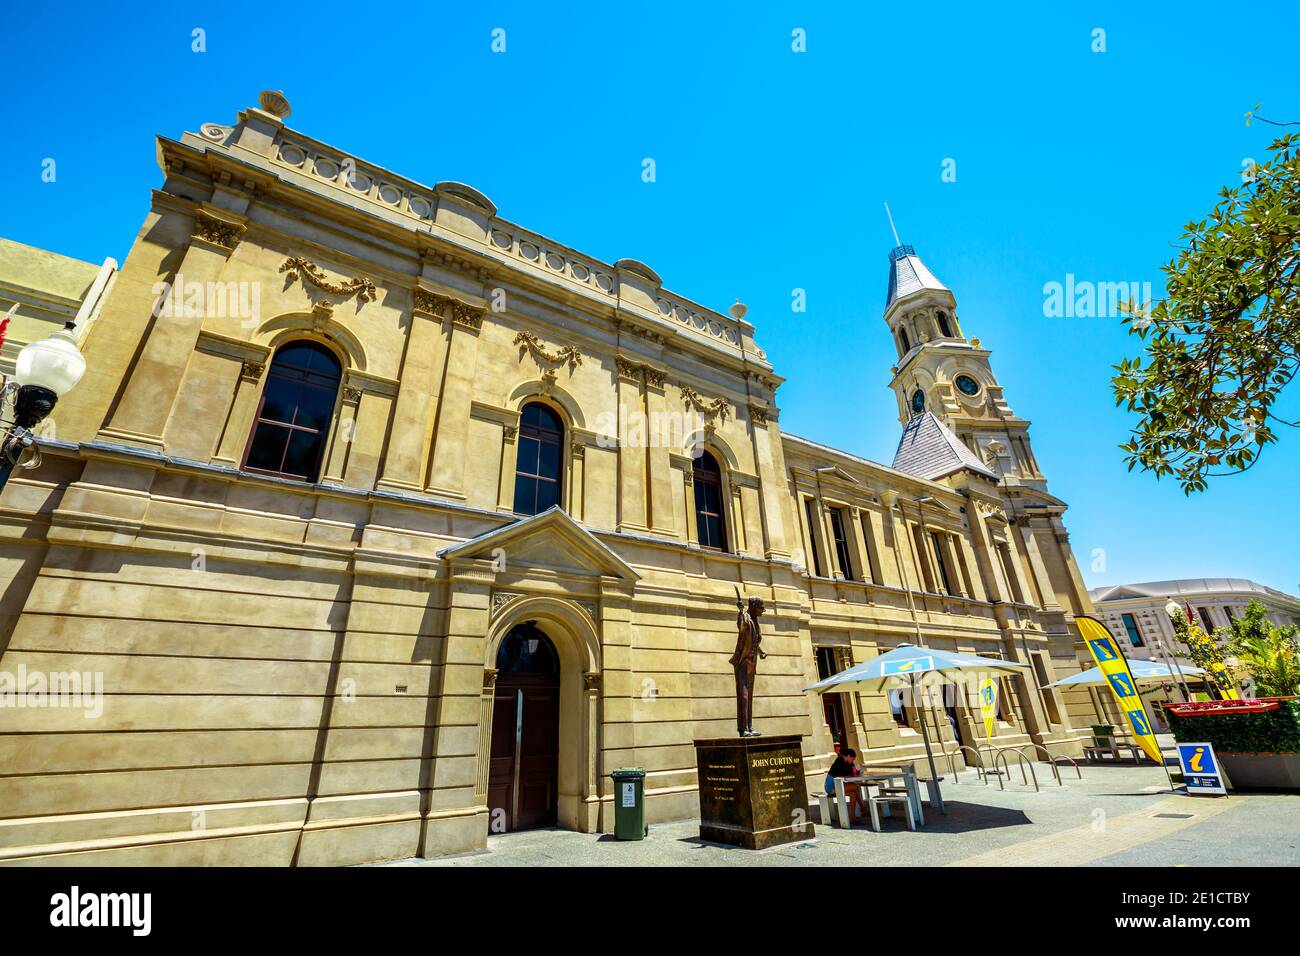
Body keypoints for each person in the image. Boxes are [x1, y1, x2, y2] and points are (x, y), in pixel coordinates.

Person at [823, 747, 867, 819]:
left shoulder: (848, 763)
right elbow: (842, 774)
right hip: (831, 786)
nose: (852, 761)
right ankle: (863, 808)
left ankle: (852, 817)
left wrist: (856, 770)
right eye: (852, 759)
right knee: (855, 787)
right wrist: (853, 771)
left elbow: (851, 773)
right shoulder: (839, 760)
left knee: (853, 793)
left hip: (838, 785)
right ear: (848, 756)